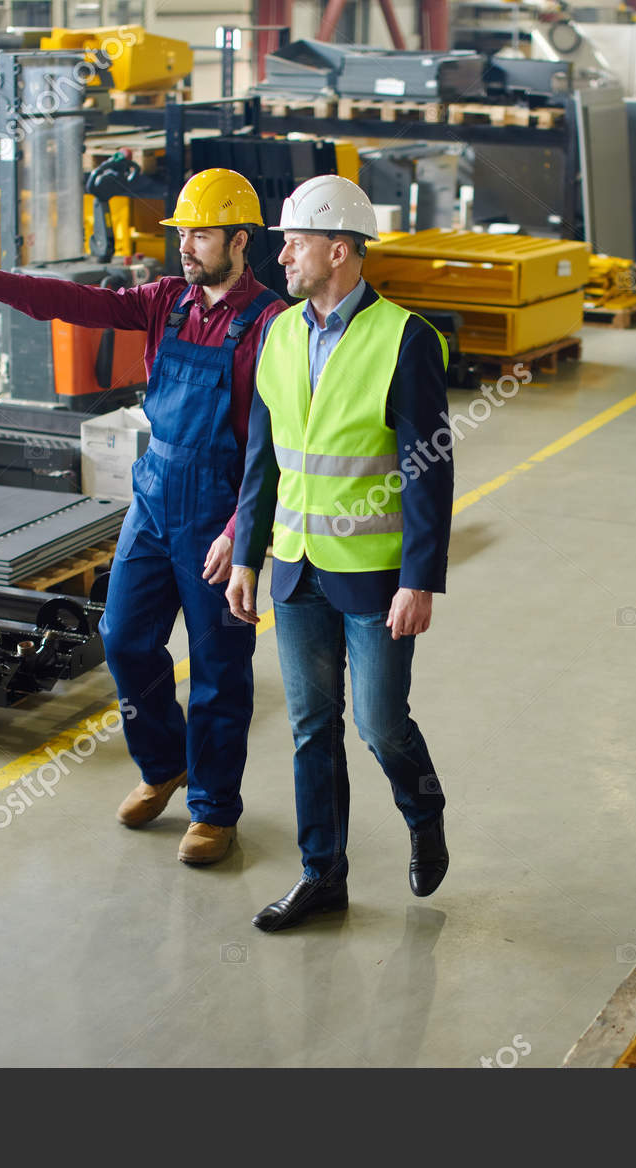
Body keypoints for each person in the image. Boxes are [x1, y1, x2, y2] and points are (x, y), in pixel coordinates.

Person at [0, 169, 284, 866]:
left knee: (219, 664)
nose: (187, 247)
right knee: (122, 637)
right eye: (182, 234)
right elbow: (79, 303)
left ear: (240, 241)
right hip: (154, 493)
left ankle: (212, 808)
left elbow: (273, 446)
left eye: (201, 234)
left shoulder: (270, 325)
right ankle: (163, 763)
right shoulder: (165, 301)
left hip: (219, 505)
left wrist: (242, 533)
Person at [226, 175, 454, 932]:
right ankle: (322, 875)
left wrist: (420, 579)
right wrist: (247, 556)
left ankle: (423, 811)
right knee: (310, 728)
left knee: (381, 722)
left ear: (341, 250)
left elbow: (428, 465)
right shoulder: (279, 332)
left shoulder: (405, 338)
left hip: (375, 573)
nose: (281, 254)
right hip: (295, 569)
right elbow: (264, 456)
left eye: (294, 241)